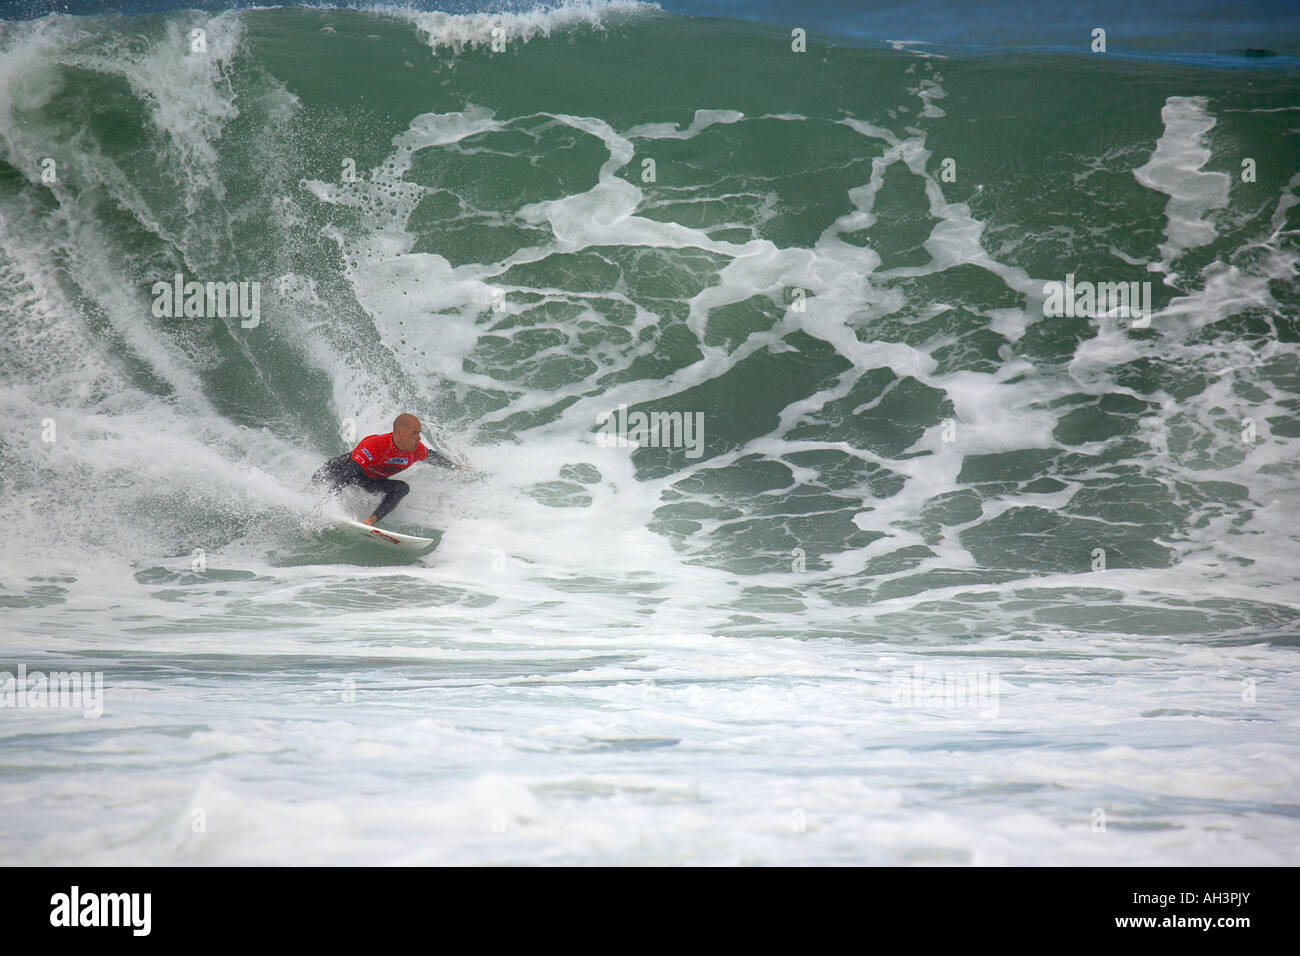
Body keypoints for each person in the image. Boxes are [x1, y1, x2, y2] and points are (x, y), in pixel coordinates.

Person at [312, 413, 467, 526]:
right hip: (341, 468)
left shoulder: (416, 450)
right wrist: (324, 503)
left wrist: (455, 467)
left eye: (419, 433)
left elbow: (431, 456)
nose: (419, 438)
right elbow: (349, 475)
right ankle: (317, 505)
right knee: (336, 480)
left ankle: (371, 520)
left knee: (402, 488)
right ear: (399, 434)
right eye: (414, 433)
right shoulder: (374, 446)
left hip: (370, 479)